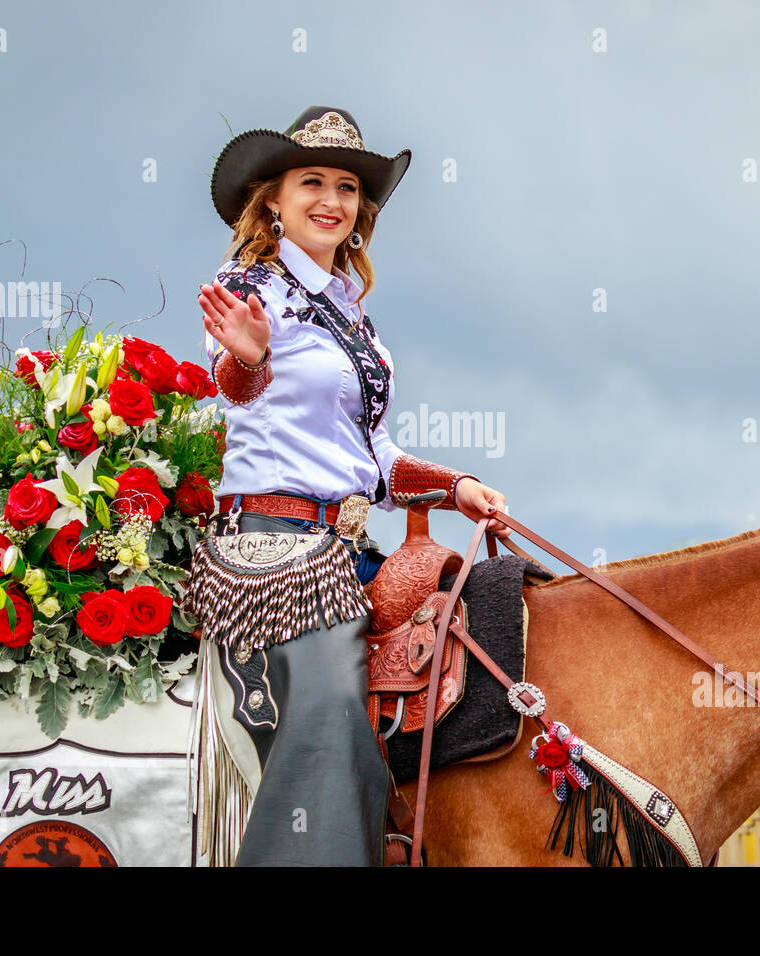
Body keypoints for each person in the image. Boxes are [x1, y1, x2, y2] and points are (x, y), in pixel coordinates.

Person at [193, 105, 509, 866]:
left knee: (488, 630)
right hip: (270, 547)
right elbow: (232, 391)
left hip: (346, 543)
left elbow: (375, 455)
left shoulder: (352, 316)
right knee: (333, 702)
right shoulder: (247, 291)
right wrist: (251, 360)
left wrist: (453, 484)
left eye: (345, 186)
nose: (331, 199)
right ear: (272, 197)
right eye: (312, 182)